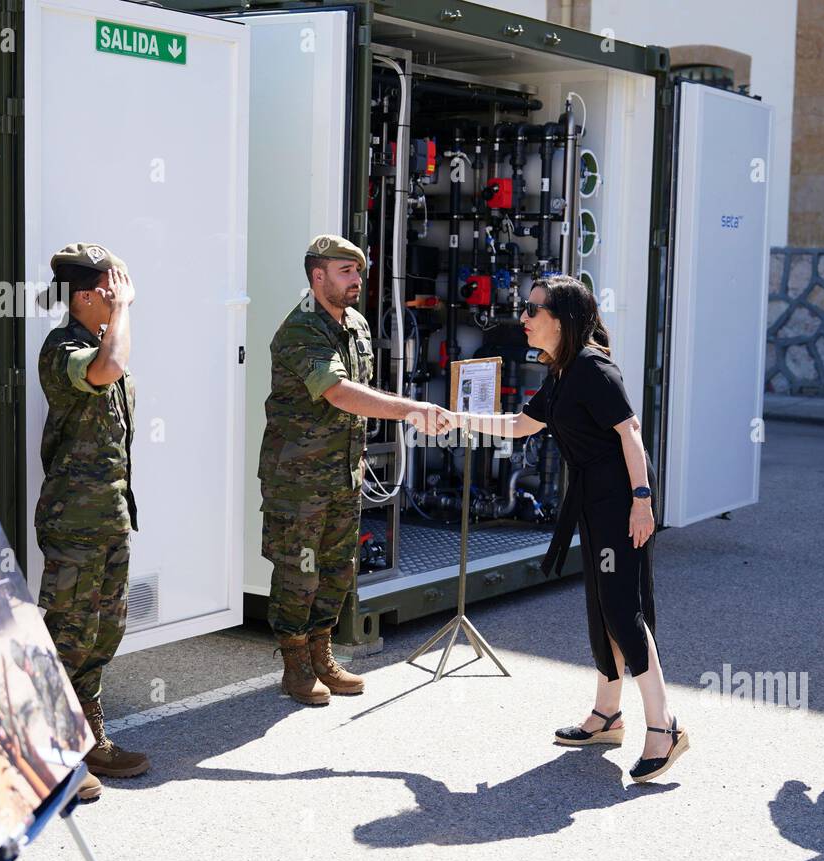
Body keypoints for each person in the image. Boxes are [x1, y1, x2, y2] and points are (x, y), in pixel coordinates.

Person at [457, 275, 687, 783]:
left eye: (534, 309)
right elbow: (522, 425)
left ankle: (664, 726)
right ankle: (607, 715)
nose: (524, 316)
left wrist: (643, 501)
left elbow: (630, 433)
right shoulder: (561, 371)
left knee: (624, 610)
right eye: (525, 307)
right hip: (594, 500)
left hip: (621, 502)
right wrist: (461, 418)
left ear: (562, 319)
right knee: (602, 607)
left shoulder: (591, 367)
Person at [258, 235, 451, 705]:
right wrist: (411, 410)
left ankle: (323, 655)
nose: (357, 281)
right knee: (296, 572)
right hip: (298, 478)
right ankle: (295, 666)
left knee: (337, 568)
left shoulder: (358, 325)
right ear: (317, 275)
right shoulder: (300, 329)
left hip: (344, 471)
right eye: (346, 272)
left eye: (358, 272)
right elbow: (339, 392)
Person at [36, 242, 147, 800]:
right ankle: (52, 759)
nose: (120, 295)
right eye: (111, 288)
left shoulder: (100, 341)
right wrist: (122, 312)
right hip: (74, 522)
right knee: (65, 636)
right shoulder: (63, 349)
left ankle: (87, 738)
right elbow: (109, 370)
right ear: (86, 296)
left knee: (103, 632)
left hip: (109, 515)